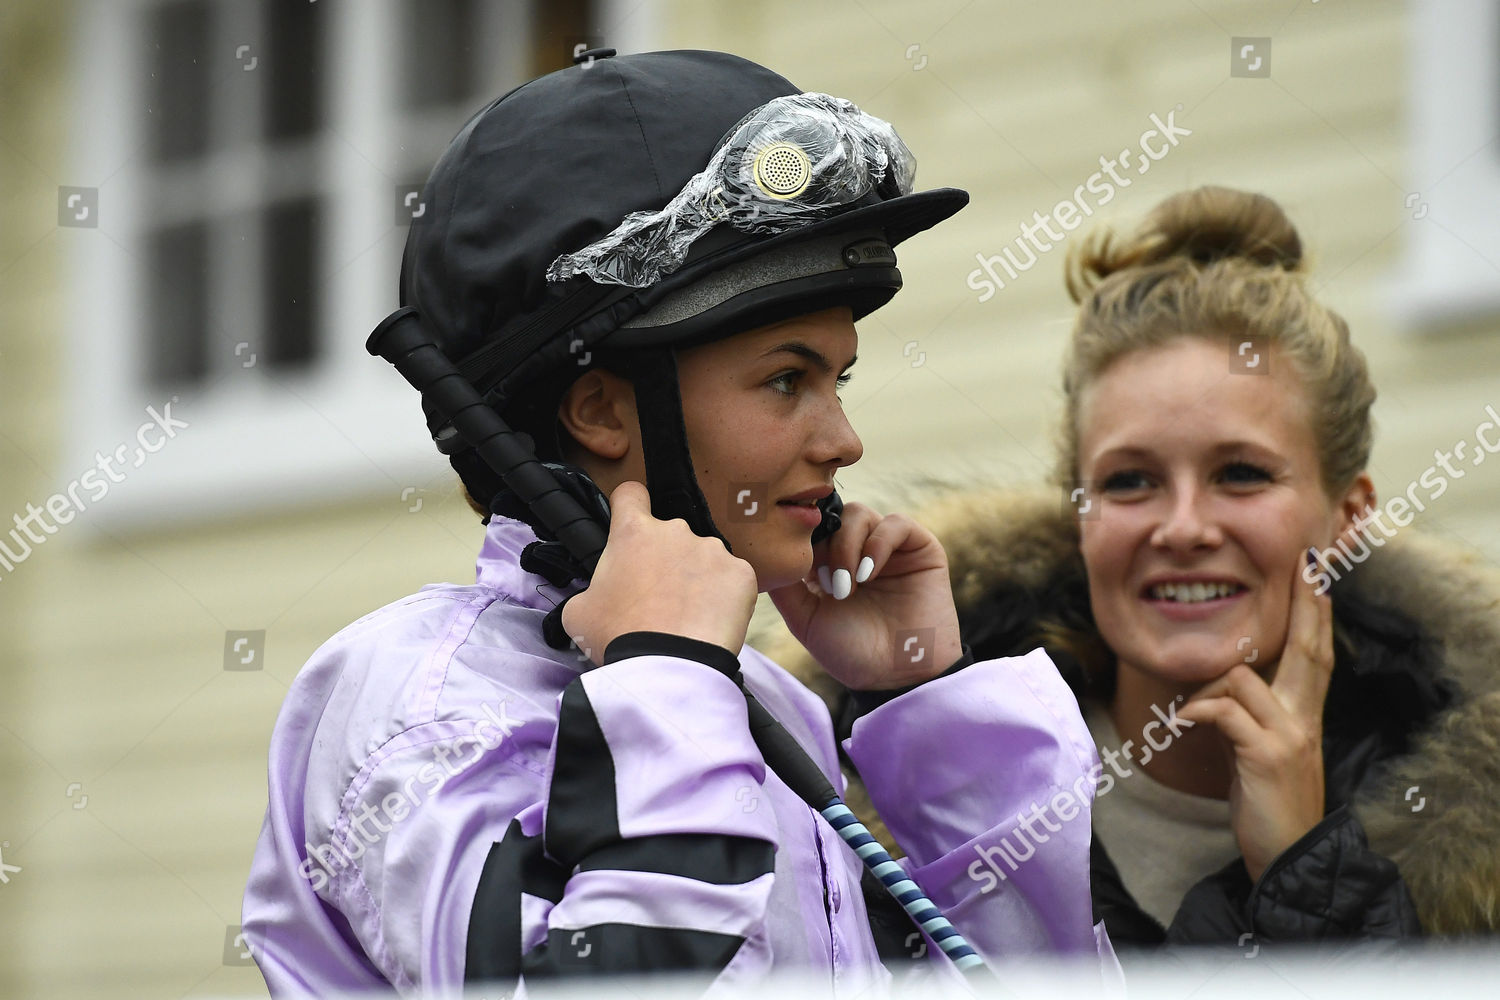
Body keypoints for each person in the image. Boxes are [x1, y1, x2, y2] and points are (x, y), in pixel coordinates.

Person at [240, 48, 1123, 996]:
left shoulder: (761, 701)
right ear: (603, 411)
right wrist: (665, 680)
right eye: (788, 380)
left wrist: (928, 705)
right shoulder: (418, 707)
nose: (845, 440)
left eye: (841, 378)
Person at [775, 185, 1500, 952]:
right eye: (1129, 482)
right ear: (1080, 516)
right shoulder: (850, 805)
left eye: (1243, 474)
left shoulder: (1466, 828)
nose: (1183, 527)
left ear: (1348, 517)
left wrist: (1306, 875)